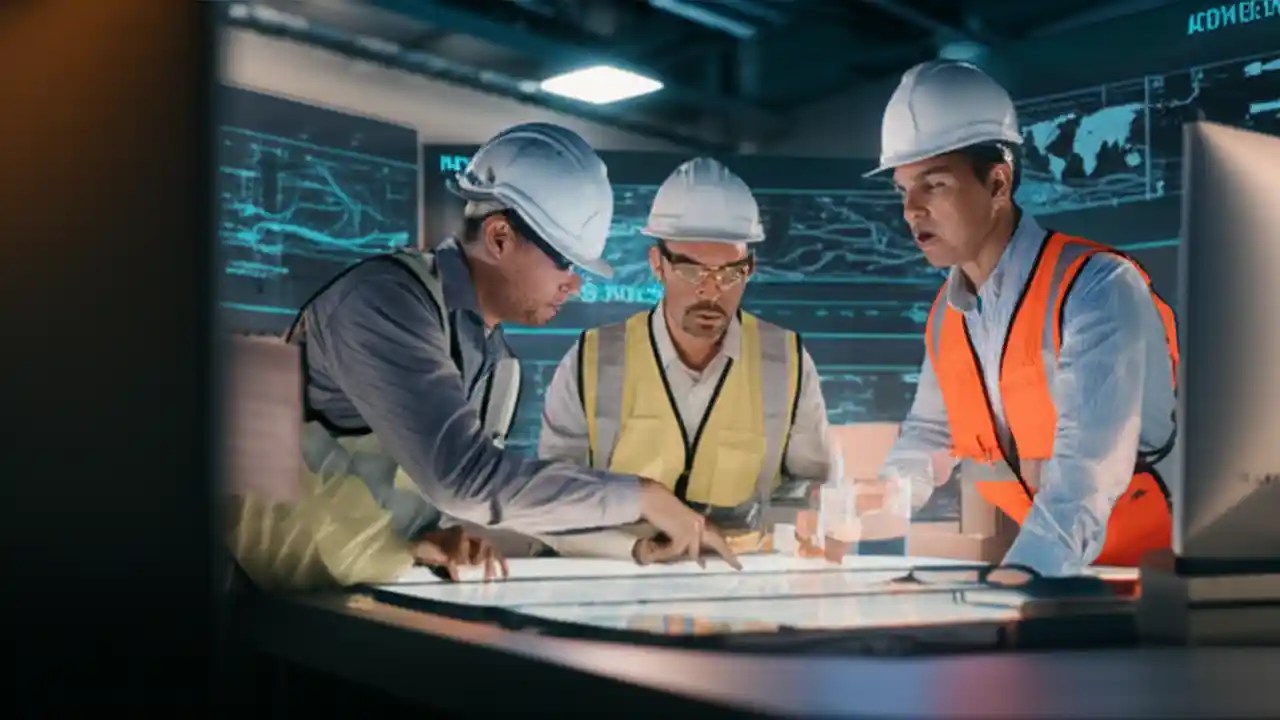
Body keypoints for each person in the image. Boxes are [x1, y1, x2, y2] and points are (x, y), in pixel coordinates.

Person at [227, 123, 739, 590]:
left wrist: (428, 541)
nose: (575, 283)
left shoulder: (498, 365)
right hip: (245, 596)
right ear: (499, 237)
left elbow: (460, 498)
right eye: (565, 259)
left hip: (342, 594)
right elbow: (462, 480)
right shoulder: (384, 302)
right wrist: (644, 495)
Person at [861, 60, 1180, 577]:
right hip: (1076, 577)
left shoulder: (1096, 287)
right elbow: (930, 433)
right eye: (902, 190)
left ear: (997, 184)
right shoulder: (948, 316)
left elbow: (1089, 471)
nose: (911, 210)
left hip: (1170, 579)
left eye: (933, 185)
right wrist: (883, 499)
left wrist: (1022, 576)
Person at [538, 157, 833, 564]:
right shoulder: (591, 360)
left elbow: (812, 486)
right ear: (657, 264)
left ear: (750, 268)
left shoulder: (785, 360)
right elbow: (552, 498)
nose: (711, 291)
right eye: (693, 272)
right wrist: (637, 548)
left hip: (740, 584)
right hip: (616, 578)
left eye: (730, 273)